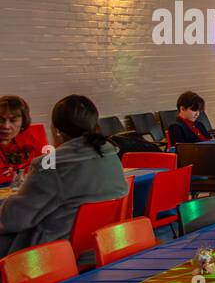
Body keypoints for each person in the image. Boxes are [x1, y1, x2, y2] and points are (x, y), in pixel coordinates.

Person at [0, 95, 128, 256]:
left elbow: (15, 220)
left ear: (56, 129)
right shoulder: (110, 155)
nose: (6, 126)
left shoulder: (52, 165)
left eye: (13, 120)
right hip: (102, 246)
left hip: (53, 254)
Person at [0, 95, 45, 185]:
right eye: (0, 120)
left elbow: (47, 171)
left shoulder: (32, 137)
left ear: (23, 122)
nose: (6, 126)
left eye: (13, 121)